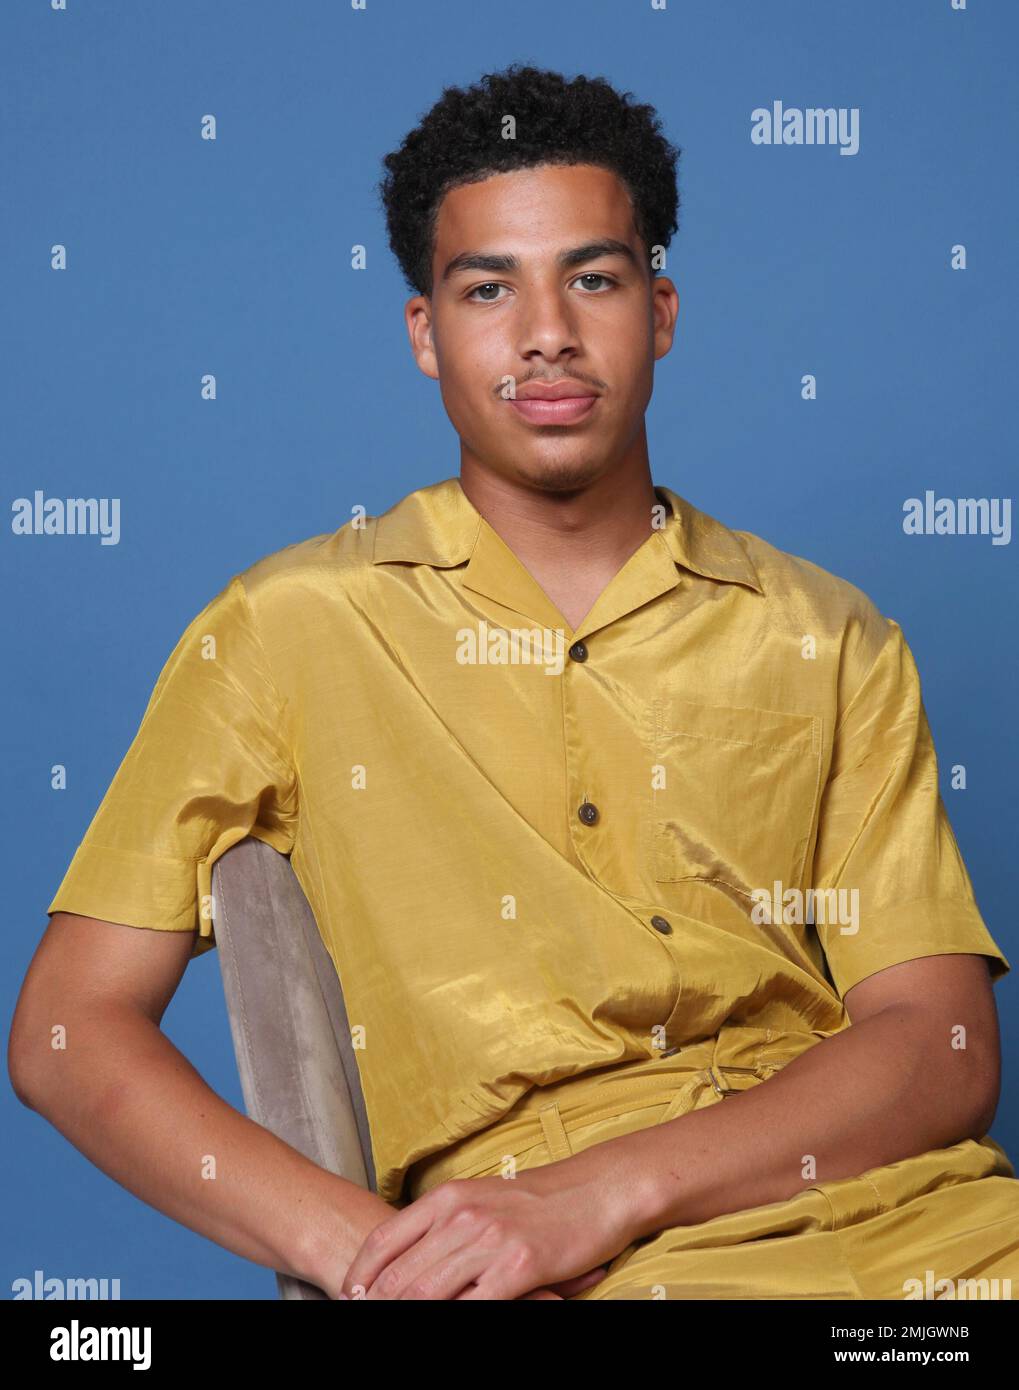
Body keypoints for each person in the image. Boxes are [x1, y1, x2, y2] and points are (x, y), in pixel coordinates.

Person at [10, 64, 1018, 1301]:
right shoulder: (289, 626)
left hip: (917, 1221)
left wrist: (609, 1187)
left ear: (658, 309)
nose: (546, 331)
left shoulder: (827, 632)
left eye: (591, 278)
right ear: (424, 333)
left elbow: (943, 1041)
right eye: (488, 288)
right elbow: (68, 1031)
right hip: (535, 1262)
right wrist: (365, 1256)